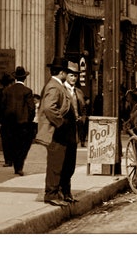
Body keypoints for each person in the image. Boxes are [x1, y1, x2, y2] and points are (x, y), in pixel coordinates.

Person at [35, 57, 71, 205]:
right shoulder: (54, 86)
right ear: (62, 72)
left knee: (58, 163)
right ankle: (51, 194)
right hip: (55, 131)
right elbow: (49, 107)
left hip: (57, 131)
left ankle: (54, 192)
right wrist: (60, 122)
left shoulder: (55, 85)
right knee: (55, 164)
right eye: (66, 72)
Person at [0, 65, 37, 176]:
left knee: (12, 143)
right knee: (22, 145)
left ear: (15, 77)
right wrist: (28, 121)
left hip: (9, 123)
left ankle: (12, 161)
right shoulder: (27, 91)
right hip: (23, 124)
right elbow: (31, 108)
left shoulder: (7, 90)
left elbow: (2, 107)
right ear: (24, 78)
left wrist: (3, 121)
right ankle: (19, 166)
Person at [58, 61, 82, 203]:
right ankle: (63, 190)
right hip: (64, 129)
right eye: (72, 75)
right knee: (64, 161)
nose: (74, 78)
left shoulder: (77, 92)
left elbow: (82, 107)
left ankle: (67, 190)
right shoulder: (62, 90)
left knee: (71, 163)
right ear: (66, 75)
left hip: (75, 129)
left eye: (76, 76)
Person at [0, 73, 14, 166]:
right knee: (13, 140)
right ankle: (13, 160)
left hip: (4, 122)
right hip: (13, 121)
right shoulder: (13, 92)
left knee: (5, 142)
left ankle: (8, 160)